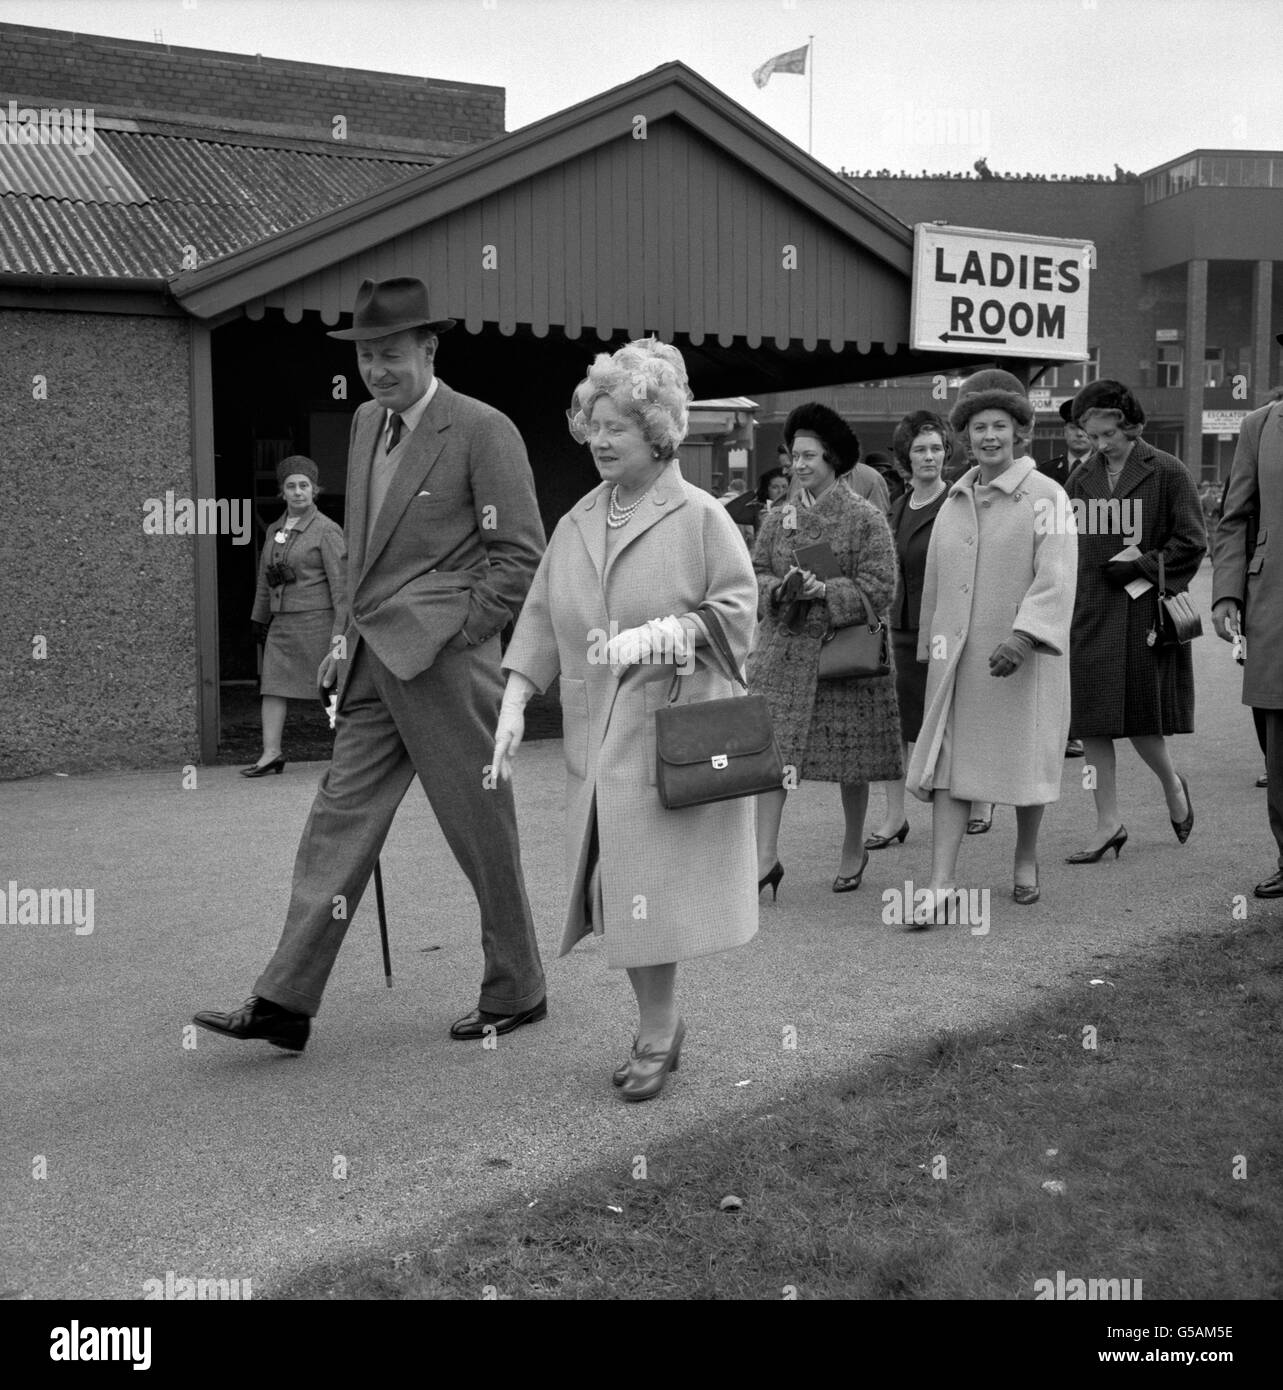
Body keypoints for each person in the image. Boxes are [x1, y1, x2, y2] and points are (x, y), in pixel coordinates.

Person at [194, 277, 547, 1052]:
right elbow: (363, 548)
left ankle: (517, 987)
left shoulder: (484, 430)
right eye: (365, 356)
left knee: (478, 830)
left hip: (447, 668)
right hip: (368, 667)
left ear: (428, 347)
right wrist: (341, 640)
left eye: (390, 353)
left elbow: (519, 555)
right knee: (335, 825)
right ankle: (285, 999)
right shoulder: (363, 423)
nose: (377, 369)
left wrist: (457, 633)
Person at [495, 339, 758, 1101]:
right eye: (592, 424)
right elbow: (542, 615)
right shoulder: (578, 518)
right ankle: (659, 1023)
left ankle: (656, 1029)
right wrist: (514, 700)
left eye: (616, 426)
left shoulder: (700, 516)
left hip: (663, 736)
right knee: (620, 889)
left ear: (658, 431)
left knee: (636, 889)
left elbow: (739, 613)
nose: (600, 440)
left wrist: (668, 633)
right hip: (595, 738)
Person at [906, 369, 1077, 923]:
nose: (989, 437)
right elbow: (934, 581)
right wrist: (930, 651)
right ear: (966, 436)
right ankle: (939, 882)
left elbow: (1056, 576)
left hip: (1021, 662)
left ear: (1020, 432)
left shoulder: (1048, 496)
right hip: (959, 664)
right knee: (950, 768)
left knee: (1023, 762)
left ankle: (1025, 859)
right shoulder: (956, 498)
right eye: (979, 427)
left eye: (1000, 426)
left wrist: (1026, 637)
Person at [751, 402, 903, 896]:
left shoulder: (865, 518)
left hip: (844, 655)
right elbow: (753, 575)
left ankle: (853, 844)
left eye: (809, 456)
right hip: (783, 655)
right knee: (772, 756)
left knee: (850, 760)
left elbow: (881, 587)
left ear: (833, 460)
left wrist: (826, 593)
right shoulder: (777, 518)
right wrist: (779, 588)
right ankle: (764, 858)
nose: (798, 466)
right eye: (794, 455)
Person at [1063, 381, 1204, 864]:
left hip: (1146, 613)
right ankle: (1108, 824)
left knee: (1144, 722)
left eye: (1107, 435)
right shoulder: (1081, 480)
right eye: (1091, 435)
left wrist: (1142, 564)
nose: (1099, 445)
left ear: (1132, 426)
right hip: (1091, 612)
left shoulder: (1167, 470)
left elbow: (1191, 541)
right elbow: (1062, 547)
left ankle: (1173, 786)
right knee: (1094, 722)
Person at [1212, 357, 1283, 897]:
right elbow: (1235, 516)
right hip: (1273, 604)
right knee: (1275, 732)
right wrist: (1227, 593)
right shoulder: (1259, 425)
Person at [865, 412, 950, 851]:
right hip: (898, 630)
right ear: (906, 457)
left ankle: (967, 808)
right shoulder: (896, 508)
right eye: (920, 449)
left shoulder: (957, 502)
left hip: (940, 630)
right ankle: (895, 816)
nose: (929, 456)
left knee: (945, 726)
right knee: (895, 729)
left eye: (936, 448)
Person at [243, 456, 346, 777]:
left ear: (315, 490)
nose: (298, 492)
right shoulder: (275, 529)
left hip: (319, 624)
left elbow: (342, 588)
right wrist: (259, 619)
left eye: (304, 486)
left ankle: (349, 757)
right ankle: (270, 754)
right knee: (272, 687)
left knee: (332, 691)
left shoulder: (327, 530)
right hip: (282, 625)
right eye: (291, 486)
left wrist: (340, 634)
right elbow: (265, 577)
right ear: (282, 492)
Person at [1038, 398, 1094, 490]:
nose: (1079, 434)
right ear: (1065, 432)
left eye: (1084, 428)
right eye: (1073, 428)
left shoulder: (1107, 470)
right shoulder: (1045, 472)